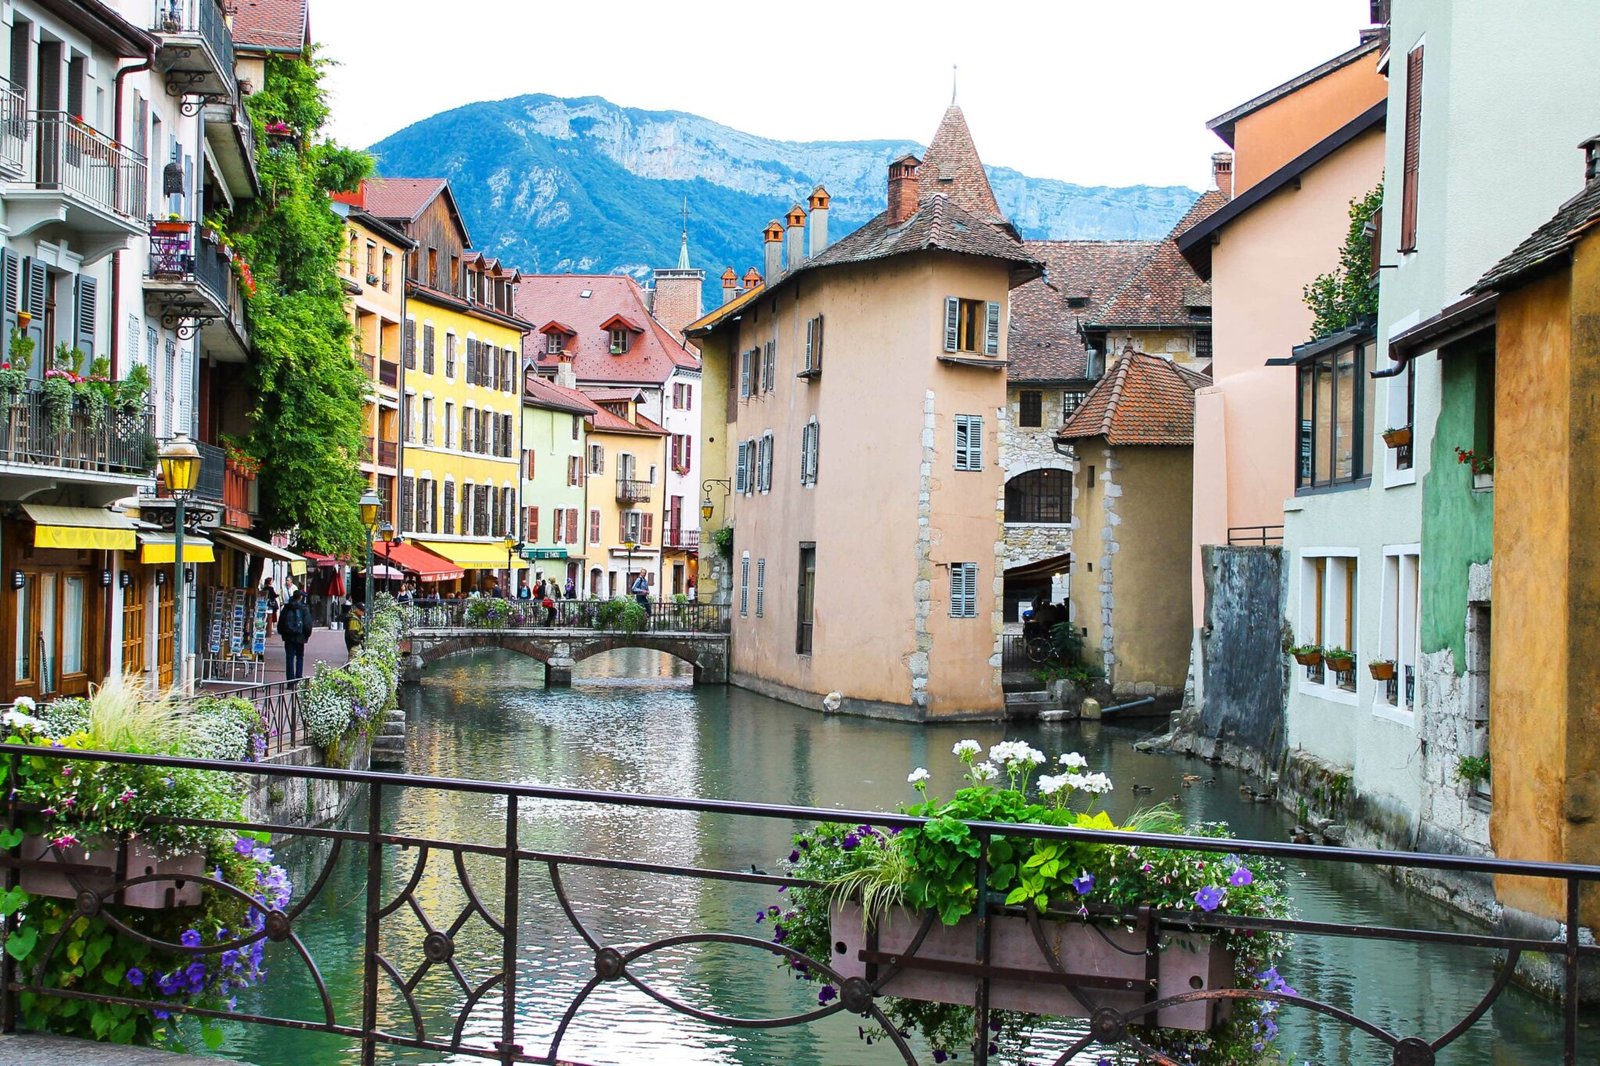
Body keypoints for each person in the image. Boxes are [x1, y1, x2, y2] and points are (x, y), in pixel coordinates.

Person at [276, 590, 313, 682]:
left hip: (288, 637)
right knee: (299, 657)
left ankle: (290, 681)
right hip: (300, 637)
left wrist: (283, 633)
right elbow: (308, 624)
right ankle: (298, 678)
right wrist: (306, 635)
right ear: (301, 597)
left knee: (289, 658)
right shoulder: (304, 608)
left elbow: (281, 622)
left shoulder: (287, 607)